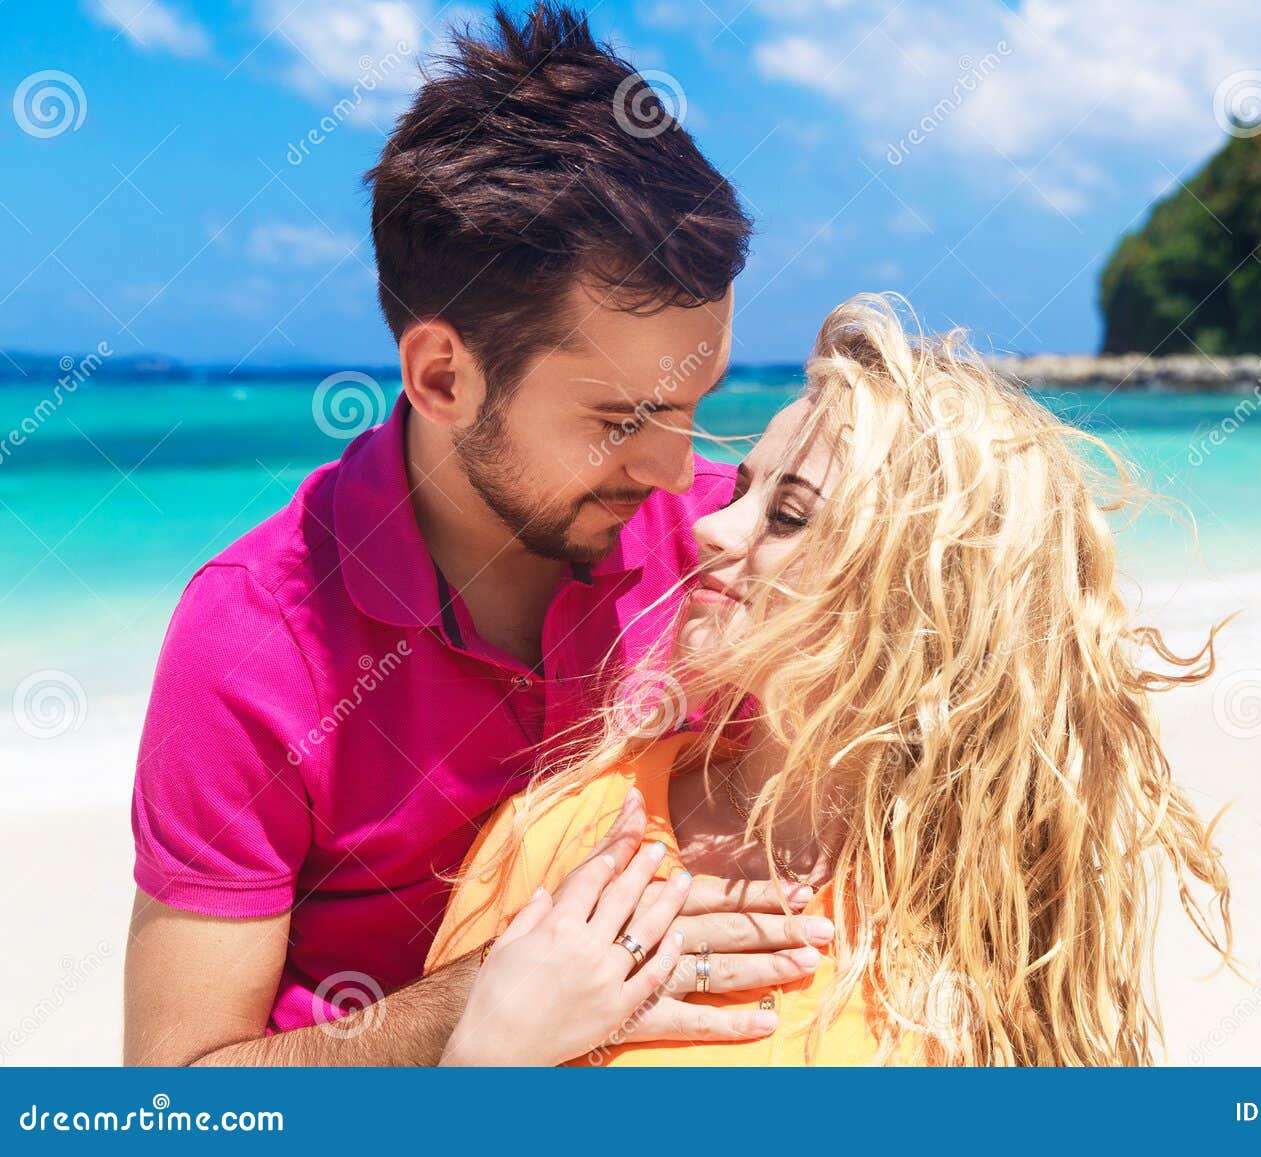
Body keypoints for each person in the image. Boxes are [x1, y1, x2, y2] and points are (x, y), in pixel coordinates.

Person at [122, 5, 821, 1066]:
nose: (681, 471)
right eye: (620, 419)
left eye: (697, 398)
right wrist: (489, 993)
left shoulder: (731, 544)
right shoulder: (254, 642)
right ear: (443, 376)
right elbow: (177, 1094)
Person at [428, 294, 1237, 1066]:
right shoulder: (569, 832)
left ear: (923, 595)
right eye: (744, 487)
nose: (709, 525)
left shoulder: (990, 904)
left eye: (787, 516)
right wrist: (485, 1055)